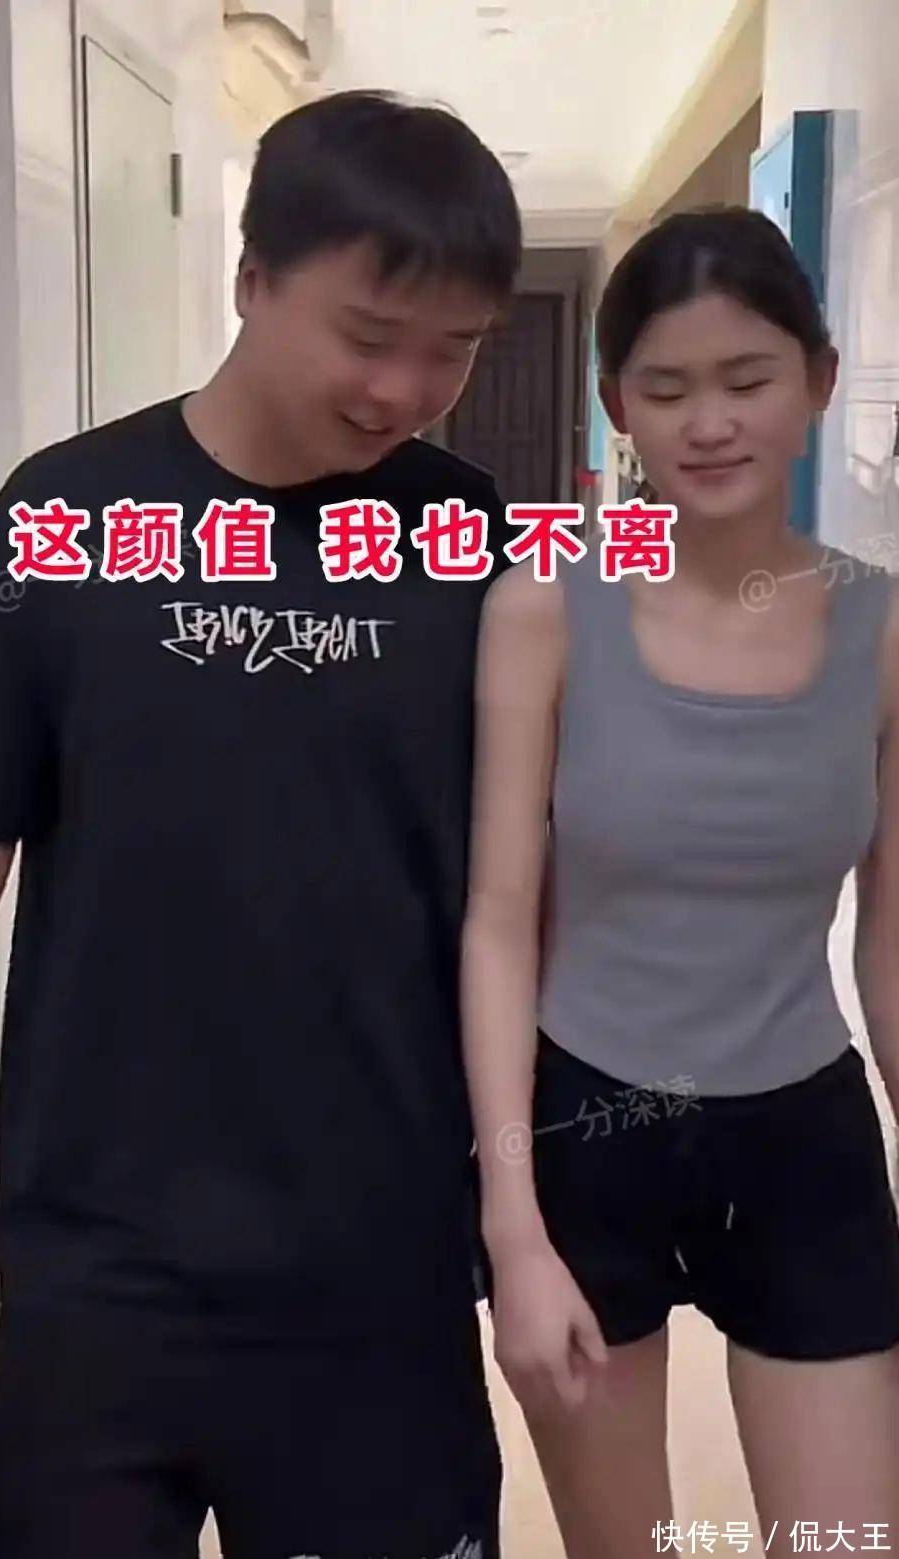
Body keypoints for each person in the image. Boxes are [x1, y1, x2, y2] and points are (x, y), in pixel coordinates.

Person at [0, 90, 522, 1559]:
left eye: (451, 350)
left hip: (379, 1272)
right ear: (252, 279)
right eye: (368, 335)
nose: (403, 390)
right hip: (98, 1273)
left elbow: (523, 896)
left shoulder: (471, 541)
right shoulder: (66, 518)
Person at [462, 206, 899, 1559]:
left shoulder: (883, 626)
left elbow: (892, 939)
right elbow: (496, 924)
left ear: (817, 382)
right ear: (618, 411)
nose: (708, 423)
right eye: (665, 389)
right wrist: (512, 1233)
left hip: (803, 1130)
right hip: (589, 1131)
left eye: (746, 379)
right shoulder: (548, 604)